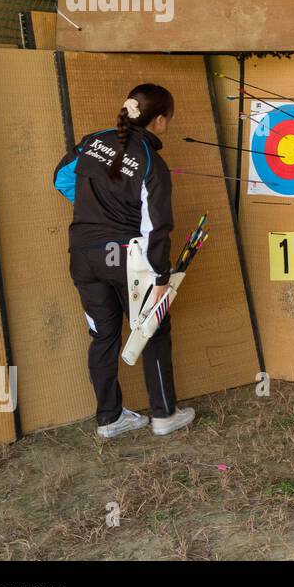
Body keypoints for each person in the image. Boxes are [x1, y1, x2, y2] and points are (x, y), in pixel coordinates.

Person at [53, 84, 194, 439]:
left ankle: (109, 418)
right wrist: (161, 277)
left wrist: (92, 209)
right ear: (159, 120)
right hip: (124, 257)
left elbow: (61, 178)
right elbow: (156, 227)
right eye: (168, 118)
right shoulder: (151, 163)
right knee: (152, 329)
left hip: (83, 253)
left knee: (102, 335)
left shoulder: (93, 142)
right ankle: (164, 415)